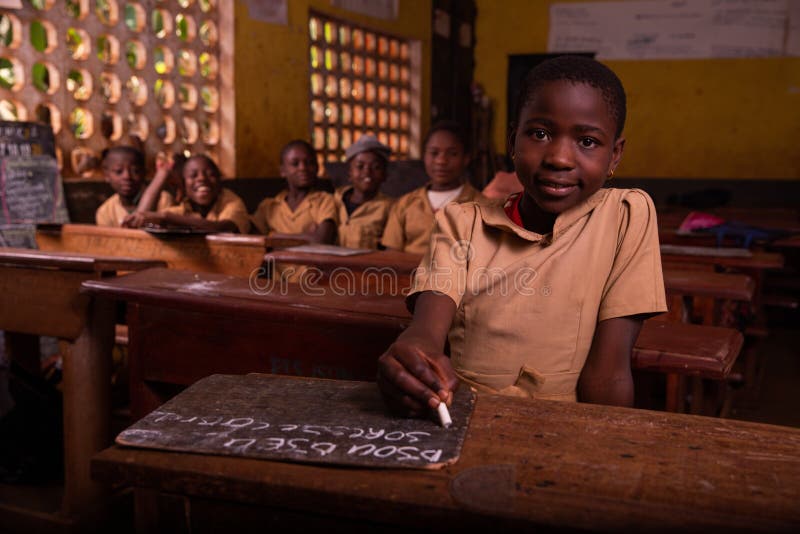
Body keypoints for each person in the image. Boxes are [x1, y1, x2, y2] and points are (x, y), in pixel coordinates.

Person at [376, 55, 667, 417]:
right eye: (540, 134)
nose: (560, 158)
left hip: (569, 425)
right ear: (513, 141)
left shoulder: (625, 216)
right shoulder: (461, 221)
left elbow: (609, 373)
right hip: (464, 416)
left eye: (588, 141)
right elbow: (426, 331)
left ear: (615, 156)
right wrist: (415, 353)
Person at [381, 121, 484, 255]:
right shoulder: (405, 204)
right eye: (434, 153)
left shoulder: (483, 207)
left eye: (452, 154)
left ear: (466, 158)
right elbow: (392, 257)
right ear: (424, 156)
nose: (441, 161)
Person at [123, 154, 250, 233]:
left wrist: (164, 217)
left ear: (219, 180)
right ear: (183, 185)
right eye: (193, 175)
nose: (201, 179)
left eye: (210, 174)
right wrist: (163, 174)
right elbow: (140, 221)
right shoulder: (183, 210)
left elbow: (222, 228)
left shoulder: (231, 202)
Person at [251, 140, 337, 244]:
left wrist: (273, 236)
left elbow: (320, 240)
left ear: (317, 168)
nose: (303, 168)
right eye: (295, 164)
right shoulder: (268, 207)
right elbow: (254, 241)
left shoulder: (324, 201)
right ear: (282, 171)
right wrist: (306, 236)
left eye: (309, 162)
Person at [334, 135, 394, 249]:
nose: (367, 171)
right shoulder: (334, 200)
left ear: (385, 174)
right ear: (349, 173)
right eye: (360, 166)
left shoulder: (391, 209)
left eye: (376, 167)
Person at [95, 146, 173, 227]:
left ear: (144, 173)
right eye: (119, 171)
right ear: (107, 175)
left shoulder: (163, 200)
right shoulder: (105, 212)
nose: (127, 176)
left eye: (135, 171)